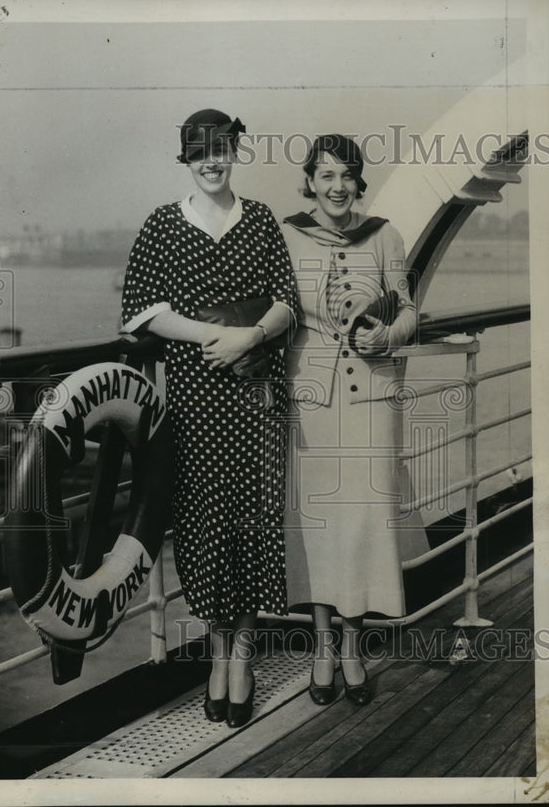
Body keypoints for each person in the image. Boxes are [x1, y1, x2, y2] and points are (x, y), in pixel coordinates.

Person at [120, 109, 297, 728]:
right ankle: (216, 657)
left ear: (235, 152)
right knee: (204, 527)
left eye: (221, 149)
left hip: (255, 401)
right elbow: (142, 312)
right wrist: (210, 337)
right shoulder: (164, 226)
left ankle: (239, 662)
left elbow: (286, 304)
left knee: (253, 524)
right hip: (196, 406)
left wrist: (248, 337)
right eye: (200, 152)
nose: (211, 161)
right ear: (186, 159)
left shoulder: (261, 221)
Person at [282, 134, 428, 706]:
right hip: (313, 402)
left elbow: (409, 308)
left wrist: (387, 334)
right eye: (326, 176)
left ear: (358, 182)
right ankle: (321, 645)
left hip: (371, 400)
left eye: (346, 176)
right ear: (310, 183)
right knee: (320, 528)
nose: (337, 187)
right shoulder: (288, 236)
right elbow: (273, 311)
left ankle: (352, 644)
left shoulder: (385, 235)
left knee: (364, 526)